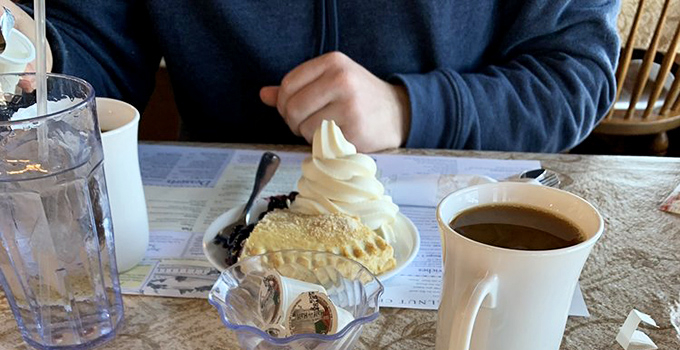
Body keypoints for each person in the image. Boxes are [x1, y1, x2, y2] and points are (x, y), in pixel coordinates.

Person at [10, 0, 619, 153]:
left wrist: (412, 110)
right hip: (218, 224)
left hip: (451, 209)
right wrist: (40, 57)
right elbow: (99, 38)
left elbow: (573, 76)